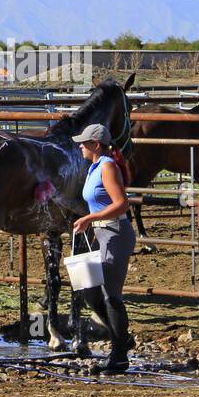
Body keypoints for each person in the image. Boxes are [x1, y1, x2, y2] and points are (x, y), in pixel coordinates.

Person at [70, 123, 135, 374]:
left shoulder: (106, 166)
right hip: (101, 232)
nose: (80, 146)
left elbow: (121, 204)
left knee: (111, 295)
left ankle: (119, 356)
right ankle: (122, 338)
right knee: (91, 292)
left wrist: (89, 219)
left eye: (84, 143)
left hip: (114, 233)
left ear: (96, 145)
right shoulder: (94, 168)